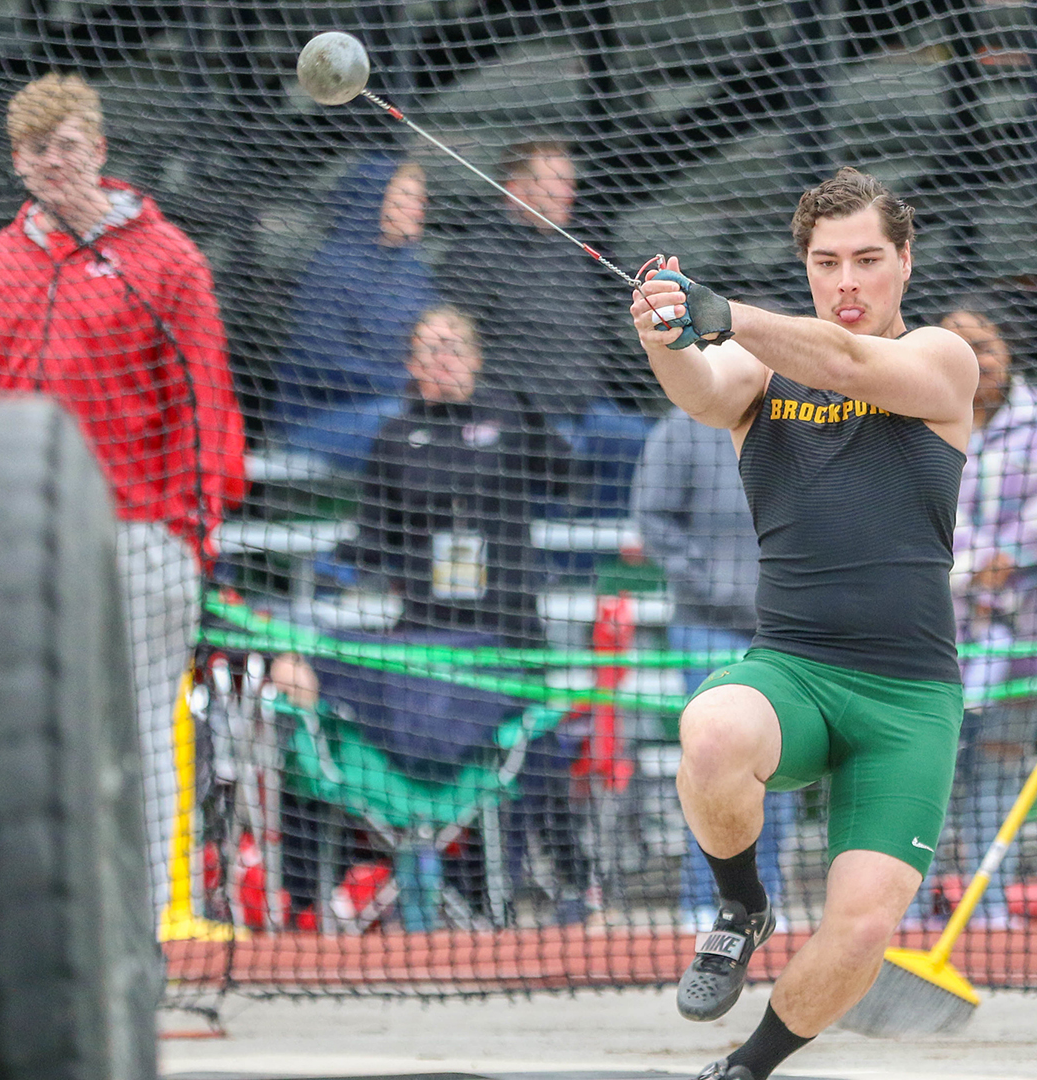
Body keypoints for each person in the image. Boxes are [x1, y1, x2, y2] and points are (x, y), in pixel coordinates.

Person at [629, 167, 976, 1080]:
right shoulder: (761, 366)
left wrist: (723, 312)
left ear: (905, 260)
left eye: (867, 259)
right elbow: (704, 393)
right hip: (795, 670)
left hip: (909, 699)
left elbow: (848, 364)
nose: (847, 281)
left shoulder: (943, 357)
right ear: (808, 268)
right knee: (710, 730)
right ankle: (742, 906)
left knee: (860, 929)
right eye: (827, 263)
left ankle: (747, 1068)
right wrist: (666, 335)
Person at [0, 72, 248, 914]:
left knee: (141, 727)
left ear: (99, 150)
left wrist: (188, 532)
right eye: (37, 149)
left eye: (68, 145)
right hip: (17, 546)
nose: (54, 162)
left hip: (139, 535)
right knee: (18, 733)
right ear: (17, 162)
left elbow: (205, 405)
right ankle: (33, 922)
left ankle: (139, 925)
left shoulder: (167, 259)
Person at [267, 305, 593, 926]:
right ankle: (317, 897)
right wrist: (328, 574)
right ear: (410, 364)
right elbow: (372, 536)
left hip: (510, 633)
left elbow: (568, 480)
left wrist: (533, 408)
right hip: (426, 639)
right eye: (425, 351)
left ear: (475, 357)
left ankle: (565, 886)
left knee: (536, 757)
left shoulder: (509, 414)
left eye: (450, 348)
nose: (438, 362)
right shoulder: (396, 435)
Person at [907, 306, 1037, 929]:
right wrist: (973, 563)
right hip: (935, 625)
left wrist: (1007, 557)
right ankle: (913, 904)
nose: (974, 359)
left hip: (1026, 626)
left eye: (984, 345)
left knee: (1002, 766)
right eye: (958, 345)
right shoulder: (914, 413)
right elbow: (911, 500)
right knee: (927, 768)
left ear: (1010, 350)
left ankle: (989, 904)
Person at [633, 408, 798, 933]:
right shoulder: (684, 426)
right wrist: (713, 586)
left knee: (782, 767)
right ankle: (706, 901)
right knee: (711, 766)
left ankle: (766, 901)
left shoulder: (800, 419)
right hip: (708, 628)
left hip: (788, 628)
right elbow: (652, 515)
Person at [441, 139, 652, 518]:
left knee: (657, 449)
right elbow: (457, 343)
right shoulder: (477, 252)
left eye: (571, 182)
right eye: (557, 181)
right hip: (527, 423)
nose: (570, 192)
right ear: (516, 187)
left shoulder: (572, 250)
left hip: (587, 409)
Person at [275, 153, 436, 470]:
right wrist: (406, 380)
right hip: (321, 419)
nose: (419, 209)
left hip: (400, 403)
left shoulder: (415, 270)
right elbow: (321, 362)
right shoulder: (332, 266)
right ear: (373, 200)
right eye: (406, 197)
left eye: (421, 199)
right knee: (411, 427)